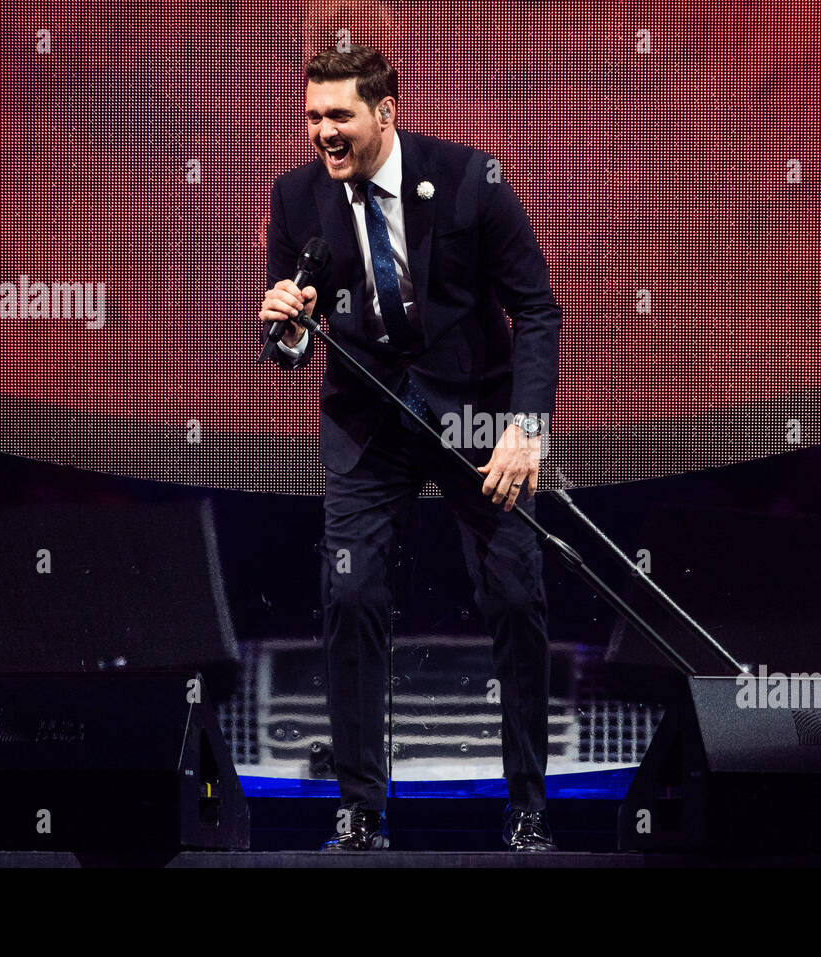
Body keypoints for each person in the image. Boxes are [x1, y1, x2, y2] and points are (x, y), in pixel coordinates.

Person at [259, 44, 562, 851]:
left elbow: (536, 309)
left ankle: (529, 808)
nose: (323, 132)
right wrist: (288, 332)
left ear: (385, 113)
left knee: (516, 596)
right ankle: (360, 809)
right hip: (370, 427)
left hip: (476, 423)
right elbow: (292, 346)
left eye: (339, 116)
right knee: (351, 597)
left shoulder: (469, 181)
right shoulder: (296, 200)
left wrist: (526, 429)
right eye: (313, 116)